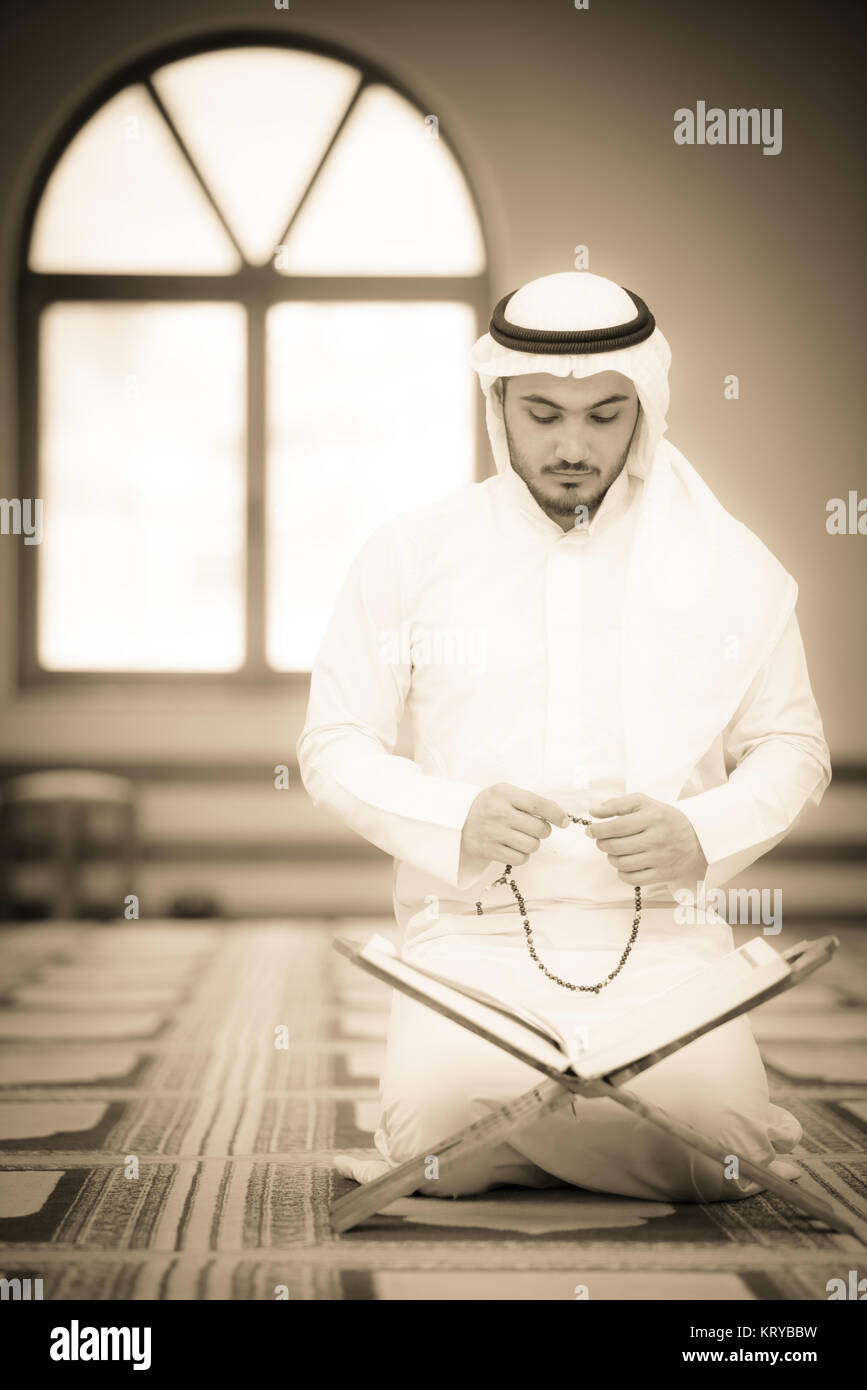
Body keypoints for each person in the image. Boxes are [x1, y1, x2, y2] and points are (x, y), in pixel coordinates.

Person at [296, 271, 831, 1202]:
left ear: (644, 411)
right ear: (496, 401)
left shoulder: (729, 565)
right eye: (542, 414)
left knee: (721, 1141)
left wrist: (699, 836)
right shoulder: (410, 553)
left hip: (663, 936)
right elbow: (333, 740)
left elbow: (794, 748)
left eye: (604, 415)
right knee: (434, 1129)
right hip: (473, 935)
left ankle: (571, 1124)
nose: (573, 447)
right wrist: (454, 814)